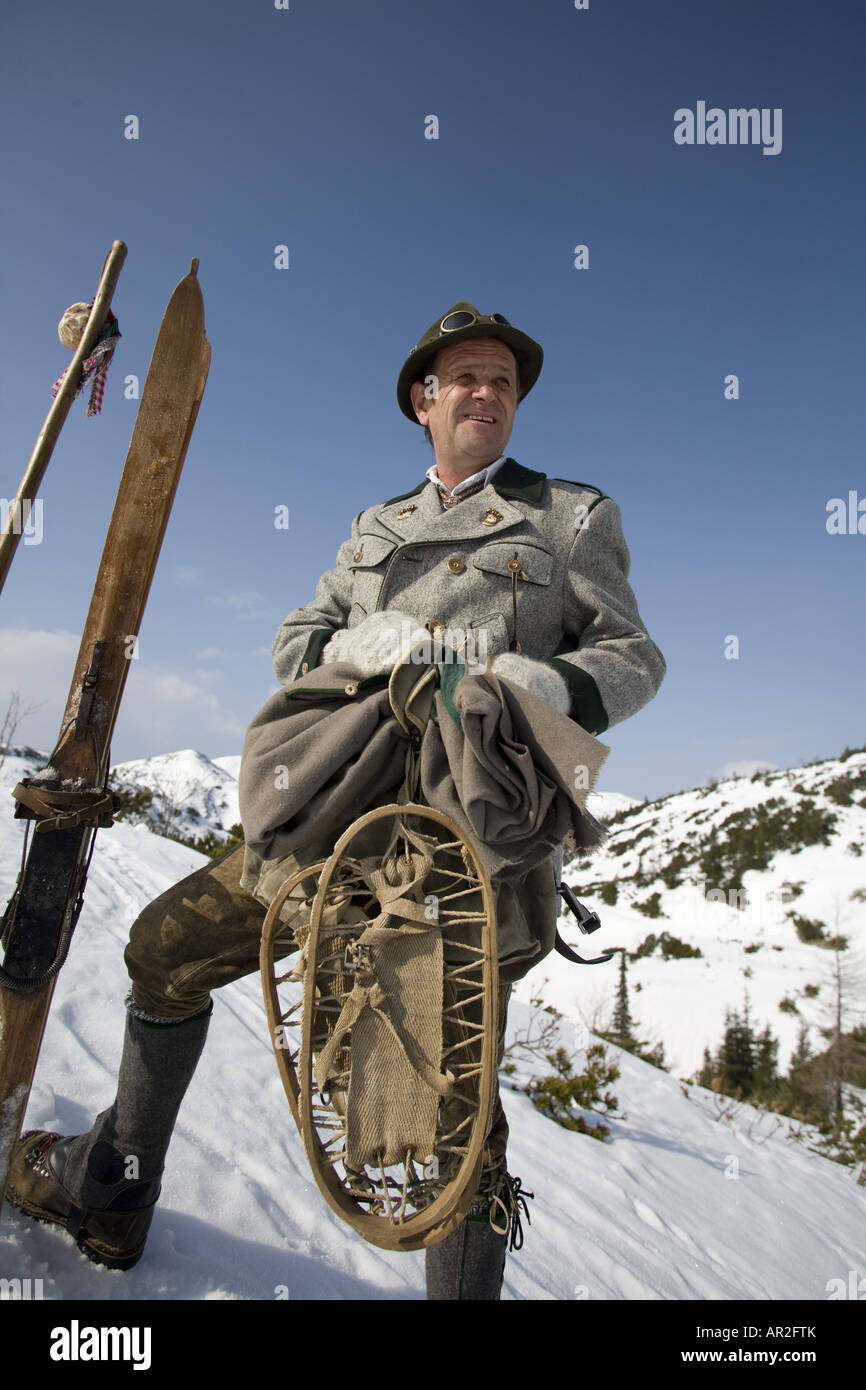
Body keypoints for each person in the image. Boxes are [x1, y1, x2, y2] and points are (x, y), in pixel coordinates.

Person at [5, 301, 666, 1300]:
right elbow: (295, 636)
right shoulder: (373, 527)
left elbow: (631, 655)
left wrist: (532, 687)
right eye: (464, 379)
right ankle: (112, 1191)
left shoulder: (569, 515)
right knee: (162, 950)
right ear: (423, 401)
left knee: (450, 1108)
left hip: (460, 843)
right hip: (334, 806)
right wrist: (362, 650)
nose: (485, 394)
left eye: (501, 381)